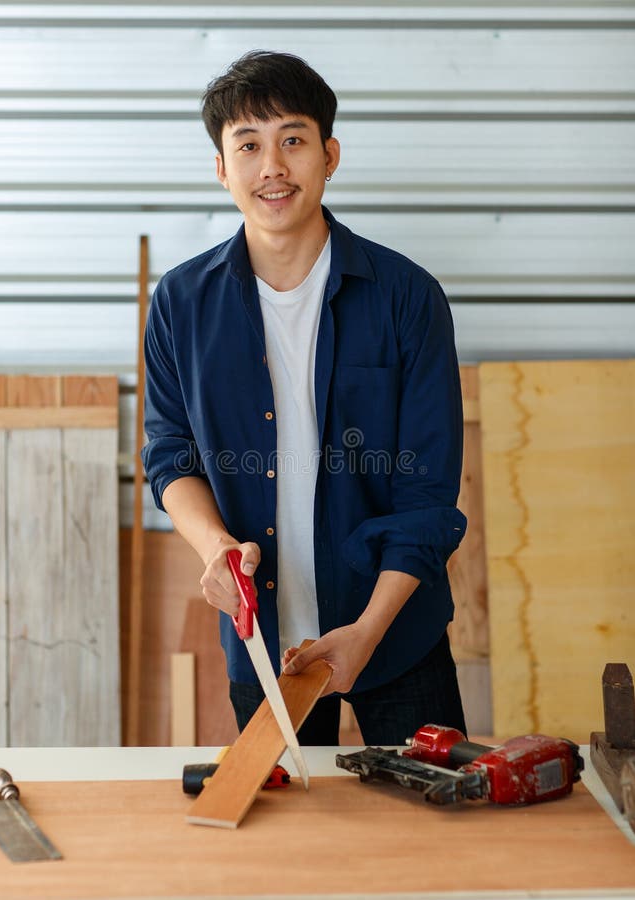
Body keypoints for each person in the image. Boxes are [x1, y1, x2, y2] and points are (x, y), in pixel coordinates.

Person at [142, 49, 468, 745]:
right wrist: (215, 548)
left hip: (397, 635)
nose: (273, 167)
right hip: (261, 641)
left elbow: (429, 495)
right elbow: (171, 457)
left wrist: (368, 631)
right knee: (285, 845)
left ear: (330, 154)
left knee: (431, 841)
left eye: (293, 140)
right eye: (248, 146)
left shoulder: (407, 298)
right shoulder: (180, 304)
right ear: (222, 168)